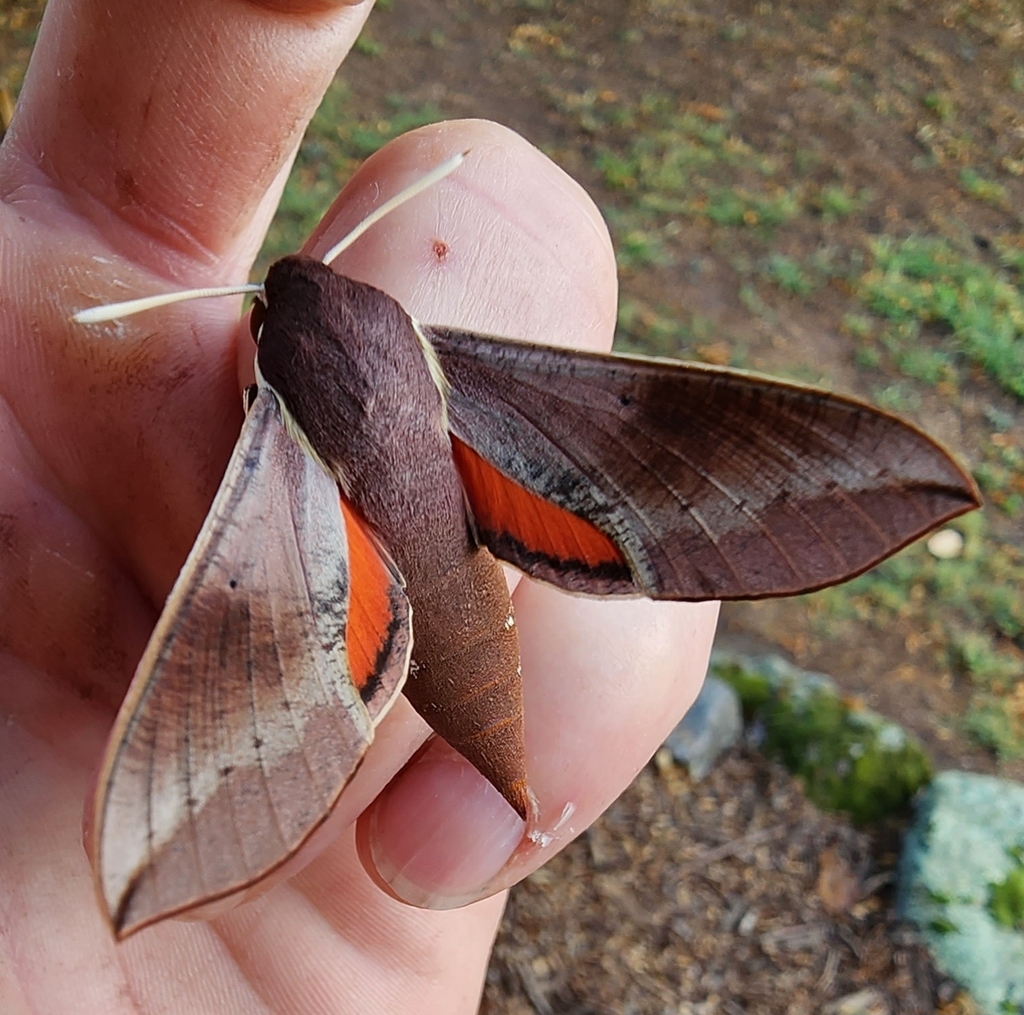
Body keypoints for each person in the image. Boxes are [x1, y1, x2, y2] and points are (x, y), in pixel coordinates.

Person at [0, 1, 717, 1010]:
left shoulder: (266, 442)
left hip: (359, 587)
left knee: (511, 241)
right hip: (453, 495)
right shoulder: (414, 369)